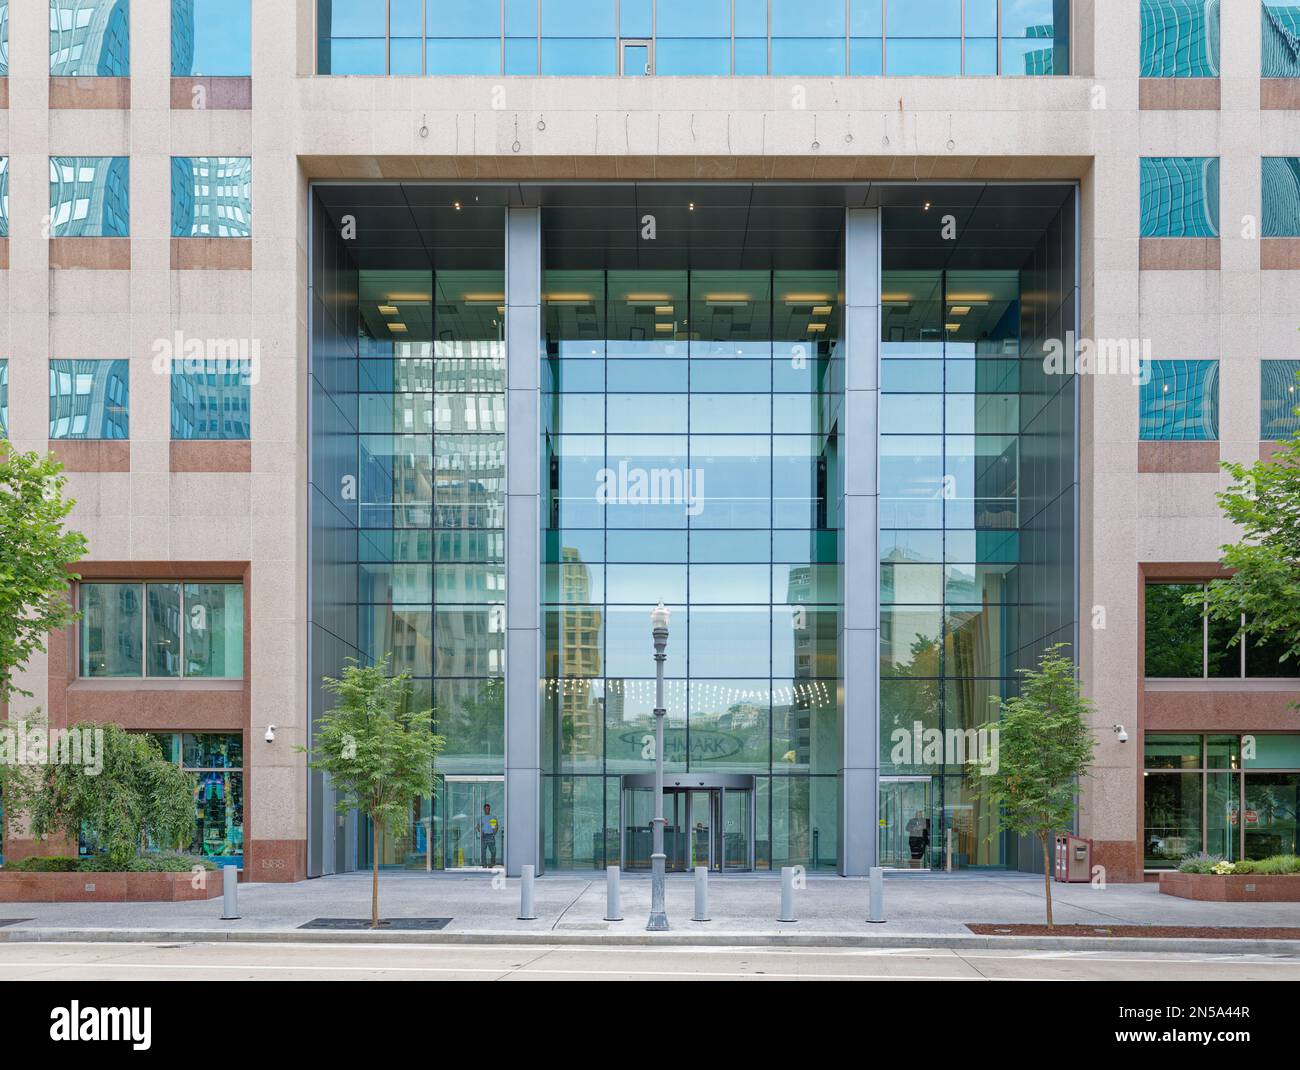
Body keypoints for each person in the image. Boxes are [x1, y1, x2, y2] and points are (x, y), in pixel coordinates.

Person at [479, 803, 499, 868]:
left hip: (491, 836)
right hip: (484, 836)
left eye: (488, 808)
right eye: (486, 808)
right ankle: (484, 864)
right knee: (483, 852)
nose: (487, 809)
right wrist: (481, 832)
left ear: (490, 809)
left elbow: (496, 826)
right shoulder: (482, 818)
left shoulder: (492, 817)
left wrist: (494, 834)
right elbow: (477, 826)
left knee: (493, 851)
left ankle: (492, 864)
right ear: (484, 809)